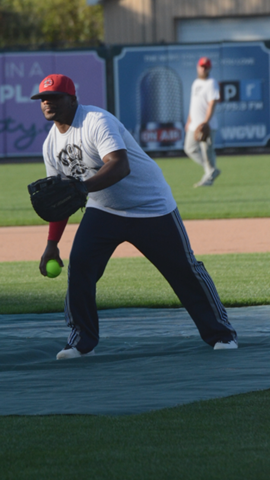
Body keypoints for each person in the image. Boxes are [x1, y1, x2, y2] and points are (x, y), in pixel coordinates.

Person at [31, 73, 236, 360]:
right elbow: (58, 201)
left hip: (150, 206)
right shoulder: (51, 145)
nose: (47, 103)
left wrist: (82, 186)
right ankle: (81, 341)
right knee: (80, 268)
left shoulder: (95, 121)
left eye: (54, 97)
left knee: (184, 270)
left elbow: (119, 166)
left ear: (73, 99)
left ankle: (221, 334)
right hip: (104, 210)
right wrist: (52, 244)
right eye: (42, 99)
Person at [185, 57, 221, 187]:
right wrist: (189, 120)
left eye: (206, 66)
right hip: (194, 125)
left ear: (209, 68)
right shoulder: (195, 83)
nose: (203, 68)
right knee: (189, 149)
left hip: (206, 125)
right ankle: (211, 170)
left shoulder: (211, 83)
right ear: (197, 67)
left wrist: (206, 122)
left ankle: (208, 178)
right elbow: (193, 104)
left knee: (207, 152)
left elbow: (212, 103)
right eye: (201, 66)